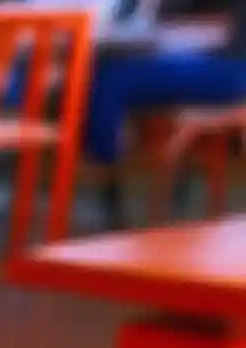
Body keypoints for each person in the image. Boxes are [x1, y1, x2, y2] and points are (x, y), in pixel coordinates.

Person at [86, 0, 246, 226]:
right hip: (201, 58)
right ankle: (109, 180)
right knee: (105, 72)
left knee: (111, 79)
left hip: (230, 69)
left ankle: (107, 183)